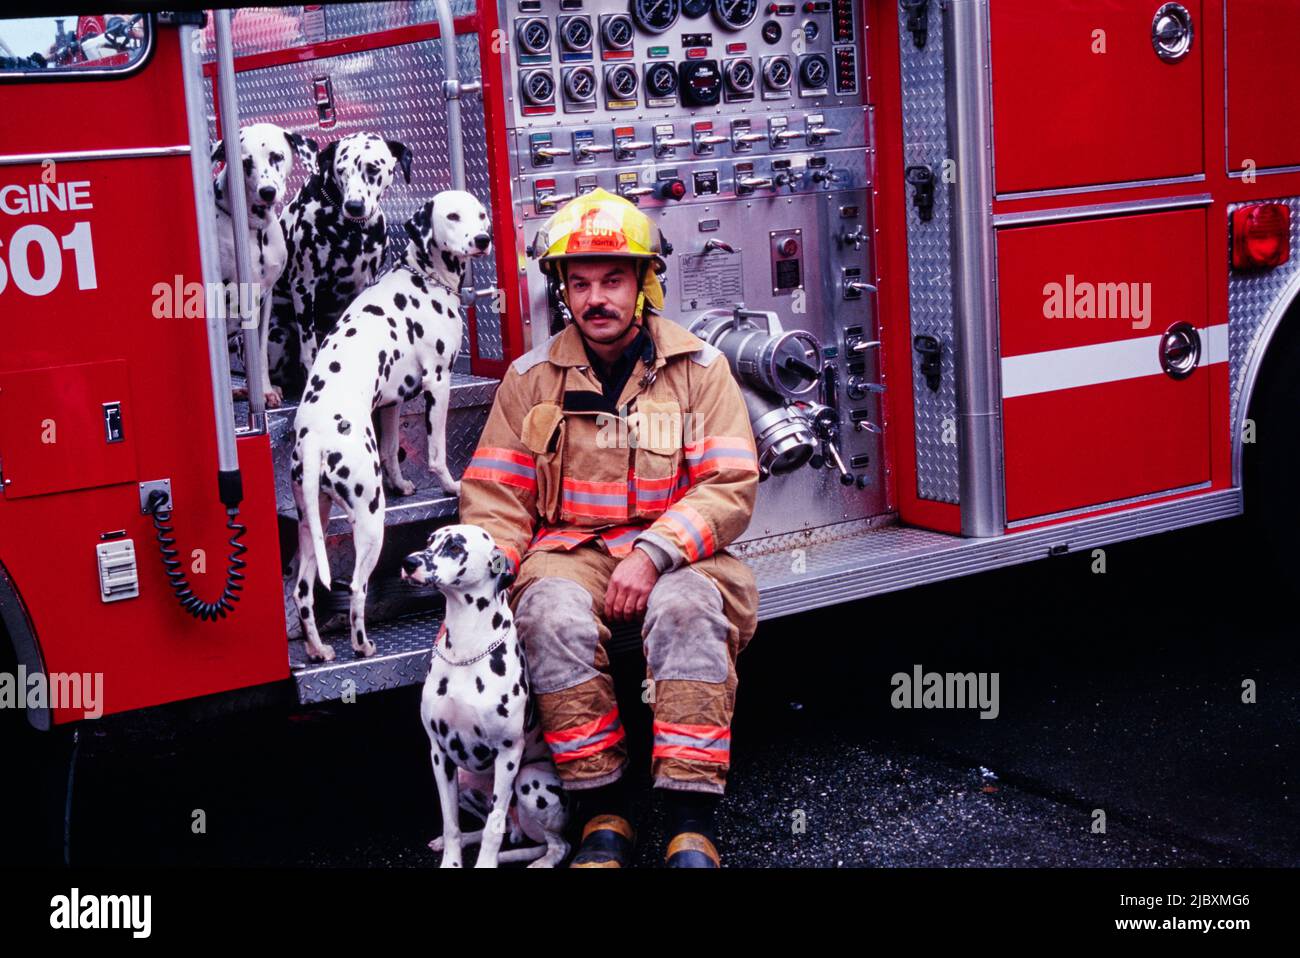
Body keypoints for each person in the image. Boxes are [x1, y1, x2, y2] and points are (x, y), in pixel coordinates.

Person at [457, 189, 760, 867]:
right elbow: (497, 497)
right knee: (548, 615)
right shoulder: (530, 380)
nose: (596, 298)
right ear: (562, 290)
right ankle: (603, 813)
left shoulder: (699, 371)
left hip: (681, 555)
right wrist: (479, 593)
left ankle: (691, 819)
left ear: (644, 282)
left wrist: (654, 553)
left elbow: (730, 485)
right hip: (569, 552)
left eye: (613, 281)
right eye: (581, 283)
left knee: (687, 612)